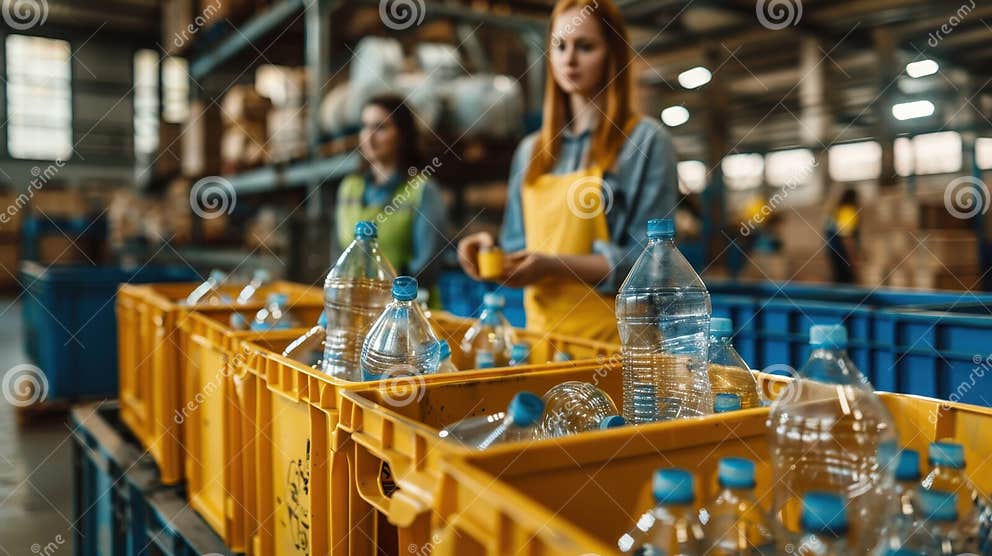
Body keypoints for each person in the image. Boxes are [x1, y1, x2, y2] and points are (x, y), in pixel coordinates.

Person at [457, 0, 678, 342]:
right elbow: (521, 247)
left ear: (613, 54)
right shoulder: (531, 151)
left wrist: (551, 266)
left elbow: (652, 267)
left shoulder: (645, 142)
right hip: (542, 341)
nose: (569, 58)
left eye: (585, 46)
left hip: (616, 346)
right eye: (560, 46)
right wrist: (492, 252)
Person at [336, 94, 448, 292]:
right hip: (357, 307)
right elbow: (339, 258)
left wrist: (383, 293)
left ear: (403, 135)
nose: (369, 136)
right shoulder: (349, 187)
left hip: (407, 311)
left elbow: (427, 269)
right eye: (365, 126)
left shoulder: (423, 191)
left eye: (381, 128)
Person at [826, 188, 860, 284]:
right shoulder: (847, 211)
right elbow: (846, 238)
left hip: (833, 251)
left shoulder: (836, 211)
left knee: (838, 279)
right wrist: (853, 258)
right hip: (842, 253)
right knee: (846, 281)